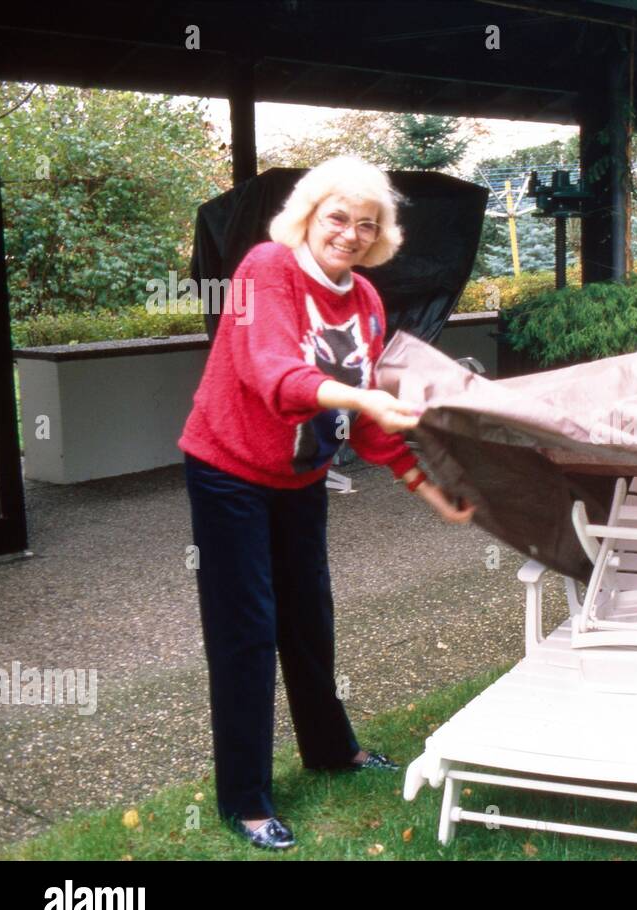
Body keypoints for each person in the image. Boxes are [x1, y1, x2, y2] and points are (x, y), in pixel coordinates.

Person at [179, 155, 475, 849]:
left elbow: (370, 425)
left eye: (365, 225)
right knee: (247, 628)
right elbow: (275, 375)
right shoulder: (265, 269)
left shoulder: (366, 302)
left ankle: (330, 749)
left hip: (299, 479)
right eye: (337, 217)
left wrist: (431, 493)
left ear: (379, 239)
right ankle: (245, 797)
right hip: (229, 470)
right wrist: (360, 394)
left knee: (309, 616)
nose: (349, 233)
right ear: (308, 216)